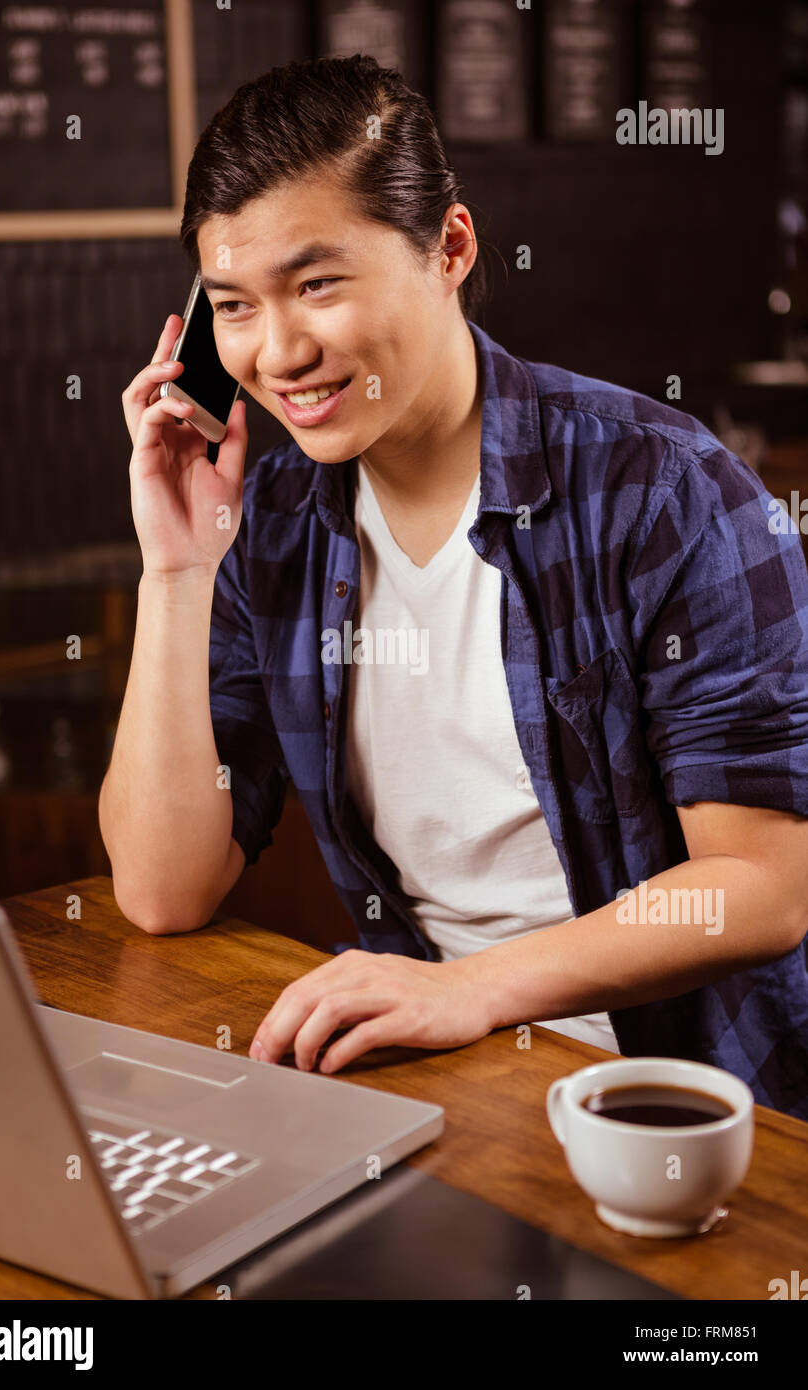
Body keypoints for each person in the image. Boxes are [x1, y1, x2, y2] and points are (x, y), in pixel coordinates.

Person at [99, 55, 808, 1118]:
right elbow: (163, 890)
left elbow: (761, 888)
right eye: (235, 306)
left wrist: (466, 990)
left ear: (450, 250)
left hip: (688, 1103)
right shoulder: (276, 518)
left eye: (317, 284)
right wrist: (177, 566)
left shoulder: (664, 489)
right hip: (438, 1080)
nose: (279, 350)